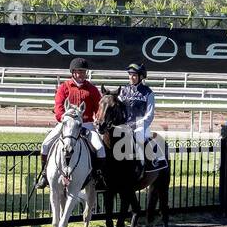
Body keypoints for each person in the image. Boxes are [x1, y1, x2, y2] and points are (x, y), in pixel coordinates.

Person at [34, 57, 105, 192]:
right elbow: (58, 107)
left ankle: (97, 176)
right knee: (45, 145)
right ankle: (44, 174)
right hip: (66, 124)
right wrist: (65, 119)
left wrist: (98, 118)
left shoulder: (92, 89)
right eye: (78, 72)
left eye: (83, 72)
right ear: (73, 72)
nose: (81, 75)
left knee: (100, 148)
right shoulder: (64, 87)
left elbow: (99, 109)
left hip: (86, 125)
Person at [117, 62, 164, 169]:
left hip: (140, 126)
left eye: (134, 75)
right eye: (130, 74)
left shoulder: (148, 93)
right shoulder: (123, 91)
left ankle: (142, 167)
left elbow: (150, 114)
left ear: (141, 76)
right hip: (124, 125)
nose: (131, 77)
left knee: (138, 137)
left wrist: (137, 124)